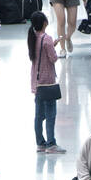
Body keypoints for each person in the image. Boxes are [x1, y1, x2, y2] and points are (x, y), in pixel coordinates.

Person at [27, 12, 63, 155]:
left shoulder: (32, 37)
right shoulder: (46, 39)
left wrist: (51, 45)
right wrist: (54, 46)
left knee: (39, 115)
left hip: (36, 81)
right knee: (50, 114)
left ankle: (40, 143)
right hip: (47, 81)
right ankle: (51, 144)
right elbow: (53, 58)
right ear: (44, 23)